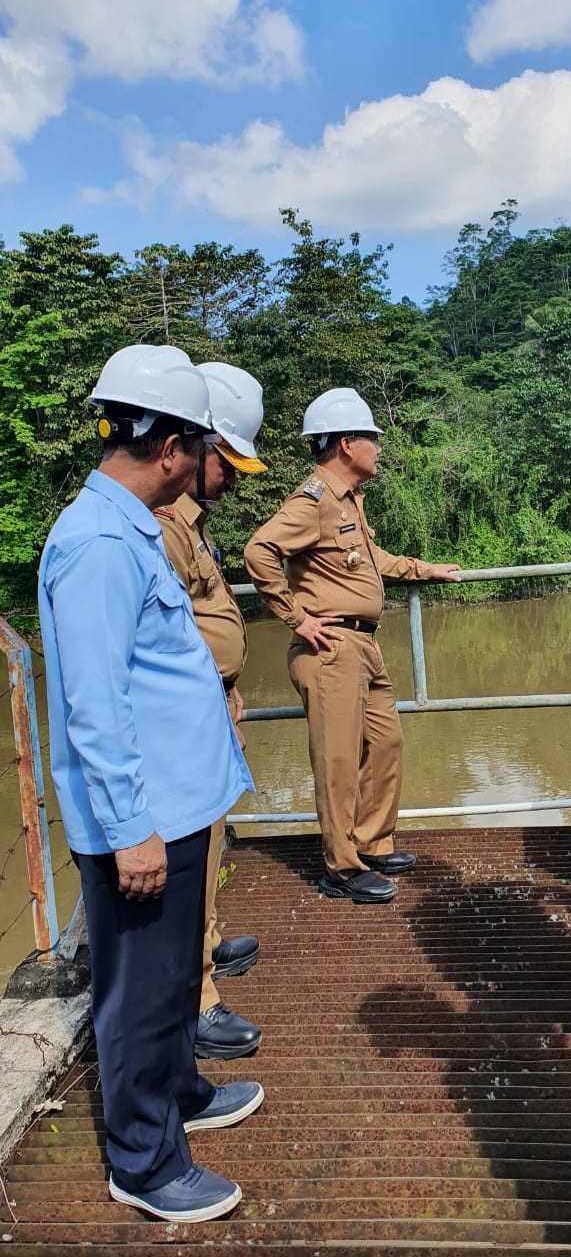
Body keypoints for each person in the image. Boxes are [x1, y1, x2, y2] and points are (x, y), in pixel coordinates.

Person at [38, 345, 264, 1223]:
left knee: (172, 978)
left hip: (174, 807)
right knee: (137, 993)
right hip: (141, 820)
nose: (204, 467)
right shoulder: (97, 542)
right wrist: (130, 828)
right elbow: (94, 708)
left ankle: (179, 1094)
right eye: (200, 448)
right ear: (169, 445)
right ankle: (143, 1160)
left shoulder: (130, 528)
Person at [244, 388, 461, 902]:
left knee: (386, 743)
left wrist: (424, 570)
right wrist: (296, 618)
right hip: (331, 648)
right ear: (346, 443)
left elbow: (371, 560)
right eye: (372, 438)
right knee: (338, 761)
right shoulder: (312, 501)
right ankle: (341, 869)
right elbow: (259, 551)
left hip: (363, 646)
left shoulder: (347, 502)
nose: (379, 448)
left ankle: (372, 842)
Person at [155, 361, 266, 1060]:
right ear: (192, 450)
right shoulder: (161, 528)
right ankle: (193, 1001)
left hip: (208, 710)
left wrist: (226, 684)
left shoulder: (191, 525)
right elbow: (166, 638)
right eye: (225, 462)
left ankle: (205, 946)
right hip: (181, 723)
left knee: (210, 848)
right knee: (188, 855)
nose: (229, 478)